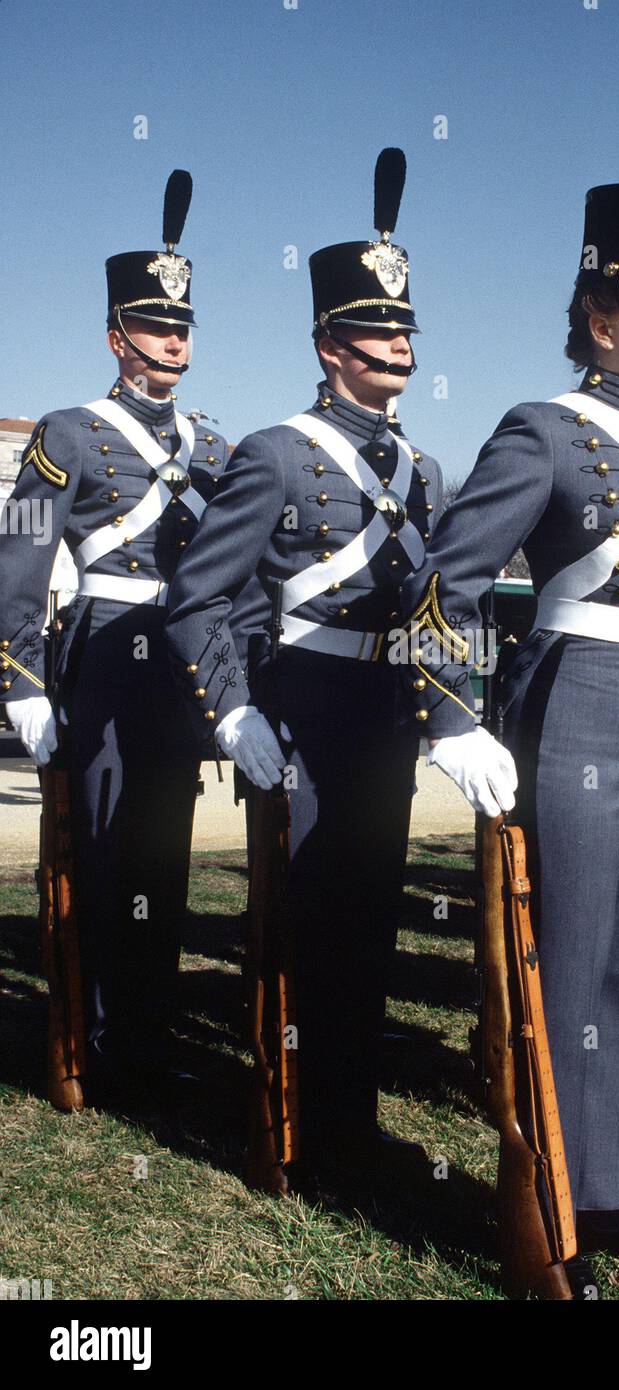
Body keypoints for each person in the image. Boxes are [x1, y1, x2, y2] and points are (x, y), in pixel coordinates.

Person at [396, 78, 619, 1270]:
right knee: (567, 966)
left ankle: (603, 1196)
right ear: (602, 313)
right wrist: (453, 715)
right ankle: (541, 1204)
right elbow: (440, 581)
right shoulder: (544, 429)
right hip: (581, 703)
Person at [165, 150, 443, 1167]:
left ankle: (349, 1113)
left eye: (407, 329)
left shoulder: (425, 468)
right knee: (307, 924)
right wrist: (232, 712)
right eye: (377, 331)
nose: (399, 346)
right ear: (330, 345)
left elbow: (436, 602)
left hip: (387, 709)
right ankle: (301, 1124)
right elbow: (196, 595)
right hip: (307, 702)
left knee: (371, 918)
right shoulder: (276, 453)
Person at [0, 171, 228, 1102]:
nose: (173, 340)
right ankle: (90, 1039)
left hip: (174, 669)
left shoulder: (213, 447)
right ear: (116, 336)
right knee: (98, 853)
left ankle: (148, 1033)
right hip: (100, 654)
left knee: (161, 861)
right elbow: (17, 556)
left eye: (182, 327)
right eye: (154, 325)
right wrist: (18, 679)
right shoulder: (70, 430)